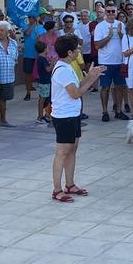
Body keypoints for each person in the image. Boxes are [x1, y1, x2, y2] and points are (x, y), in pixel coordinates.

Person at [50, 36, 106, 202]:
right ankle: (57, 189)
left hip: (72, 115)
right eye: (76, 49)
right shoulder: (62, 70)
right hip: (64, 117)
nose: (79, 51)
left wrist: (90, 77)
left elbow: (78, 85)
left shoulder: (67, 67)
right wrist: (92, 80)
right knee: (62, 152)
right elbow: (75, 93)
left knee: (72, 149)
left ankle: (70, 184)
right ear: (69, 52)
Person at [94, 2, 128, 121]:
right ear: (105, 12)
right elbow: (97, 45)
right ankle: (105, 112)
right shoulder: (100, 26)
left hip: (119, 61)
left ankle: (118, 111)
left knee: (119, 87)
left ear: (116, 12)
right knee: (105, 88)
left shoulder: (121, 24)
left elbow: (126, 42)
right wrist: (109, 36)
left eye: (113, 11)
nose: (111, 14)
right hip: (105, 62)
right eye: (108, 11)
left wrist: (119, 33)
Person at [34, 41, 53, 125]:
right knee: (43, 99)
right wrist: (52, 63)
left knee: (46, 99)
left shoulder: (40, 58)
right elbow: (48, 69)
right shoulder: (42, 59)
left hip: (44, 81)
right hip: (45, 82)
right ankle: (40, 116)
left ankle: (46, 115)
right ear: (45, 49)